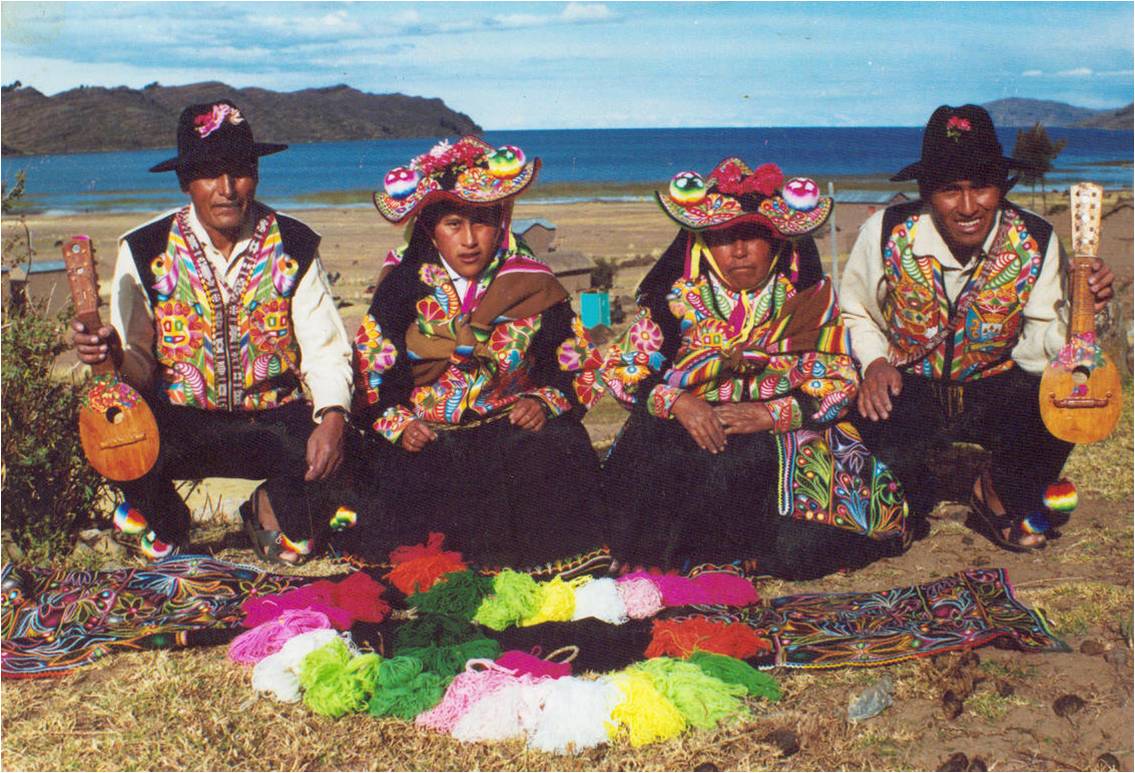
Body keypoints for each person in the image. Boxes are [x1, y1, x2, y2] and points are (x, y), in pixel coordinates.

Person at [72, 100, 354, 563]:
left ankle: (266, 505)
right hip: (180, 426)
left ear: (256, 174)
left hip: (273, 424)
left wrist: (333, 419)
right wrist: (114, 356)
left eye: (239, 172)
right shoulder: (144, 248)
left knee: (302, 536)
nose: (226, 189)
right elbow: (138, 369)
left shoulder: (296, 242)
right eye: (208, 174)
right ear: (185, 182)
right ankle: (168, 519)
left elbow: (324, 349)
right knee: (111, 432)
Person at [601, 159, 908, 579]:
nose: (739, 250)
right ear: (704, 243)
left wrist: (770, 414)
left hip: (782, 430)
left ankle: (742, 553)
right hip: (687, 424)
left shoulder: (807, 299)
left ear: (778, 243)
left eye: (753, 237)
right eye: (724, 238)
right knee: (662, 452)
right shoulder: (673, 301)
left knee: (801, 540)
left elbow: (836, 380)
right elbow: (624, 371)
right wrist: (678, 402)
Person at [840, 104, 1115, 552]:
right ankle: (912, 483)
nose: (968, 207)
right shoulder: (887, 230)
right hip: (906, 389)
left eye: (982, 187)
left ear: (1001, 187)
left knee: (1066, 397)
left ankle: (996, 489)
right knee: (888, 522)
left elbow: (1039, 351)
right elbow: (855, 309)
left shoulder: (1036, 238)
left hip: (994, 391)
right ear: (927, 192)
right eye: (950, 190)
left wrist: (1083, 313)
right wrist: (872, 363)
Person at [347, 136, 605, 569]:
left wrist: (543, 401)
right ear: (431, 229)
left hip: (508, 430)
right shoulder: (401, 286)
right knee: (394, 483)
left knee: (562, 447)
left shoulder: (532, 281)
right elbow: (373, 367)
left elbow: (572, 362)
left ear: (502, 222)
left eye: (482, 223)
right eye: (453, 224)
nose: (469, 241)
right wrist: (398, 423)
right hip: (427, 434)